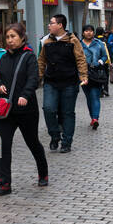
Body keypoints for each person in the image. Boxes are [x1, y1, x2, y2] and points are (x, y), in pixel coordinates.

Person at [0, 22, 49, 196]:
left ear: (22, 37)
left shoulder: (29, 56)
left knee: (32, 142)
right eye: (7, 37)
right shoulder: (3, 58)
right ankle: (4, 183)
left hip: (26, 110)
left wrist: (25, 95)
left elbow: (34, 78)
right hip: (6, 111)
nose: (10, 40)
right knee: (1, 145)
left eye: (13, 37)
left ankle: (43, 172)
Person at [38, 14, 88, 152]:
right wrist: (37, 77)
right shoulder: (46, 41)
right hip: (51, 82)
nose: (49, 25)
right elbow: (41, 61)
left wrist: (83, 75)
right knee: (48, 109)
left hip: (69, 83)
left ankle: (67, 142)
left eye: (51, 23)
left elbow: (81, 59)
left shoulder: (73, 40)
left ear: (60, 25)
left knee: (67, 113)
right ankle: (54, 135)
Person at [81, 24, 110, 131]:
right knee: (89, 97)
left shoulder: (99, 43)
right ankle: (92, 117)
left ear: (93, 33)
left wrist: (100, 61)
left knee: (95, 96)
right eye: (86, 31)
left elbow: (104, 55)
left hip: (96, 73)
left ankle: (95, 118)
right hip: (84, 74)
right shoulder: (78, 44)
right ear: (83, 32)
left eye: (91, 31)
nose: (89, 32)